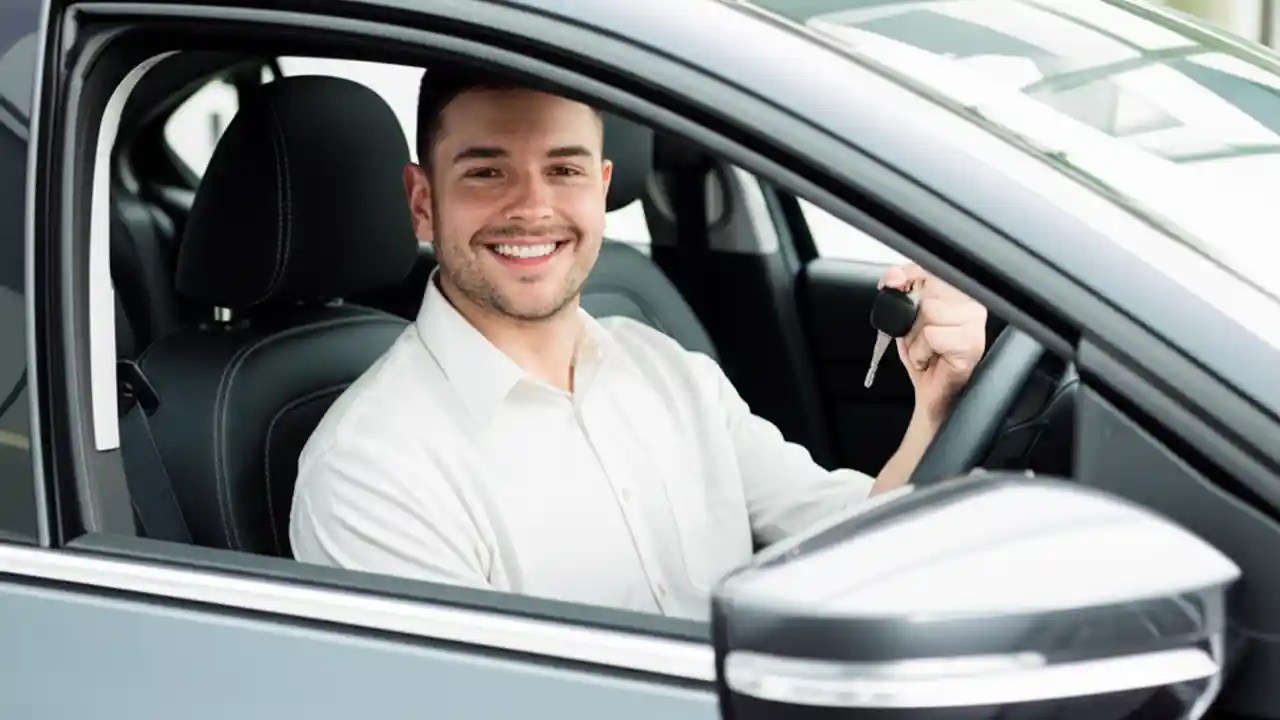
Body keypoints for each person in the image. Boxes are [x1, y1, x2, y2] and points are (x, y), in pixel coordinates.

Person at [288, 63, 988, 619]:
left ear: (601, 188)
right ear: (423, 203)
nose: (532, 208)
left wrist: (935, 406)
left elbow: (850, 534)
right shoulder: (370, 468)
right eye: (486, 172)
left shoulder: (667, 369)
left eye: (563, 170)